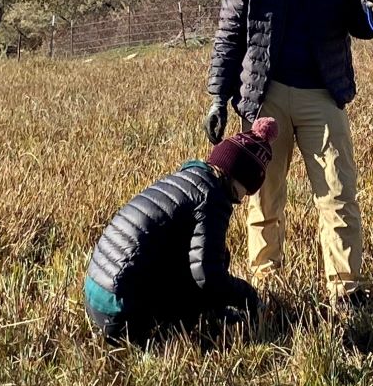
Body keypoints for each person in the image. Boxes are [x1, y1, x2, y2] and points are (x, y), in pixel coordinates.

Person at [205, 0, 373, 312]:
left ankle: (346, 290)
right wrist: (218, 96)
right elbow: (230, 33)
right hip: (263, 95)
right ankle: (265, 286)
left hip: (322, 93)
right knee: (262, 196)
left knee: (337, 194)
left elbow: (361, 25)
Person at [84, 118, 279, 346]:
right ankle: (167, 337)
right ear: (238, 178)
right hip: (122, 312)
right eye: (245, 191)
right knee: (210, 266)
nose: (242, 199)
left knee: (213, 253)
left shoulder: (186, 178)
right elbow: (208, 276)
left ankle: (213, 313)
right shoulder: (212, 197)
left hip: (96, 298)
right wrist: (249, 298)